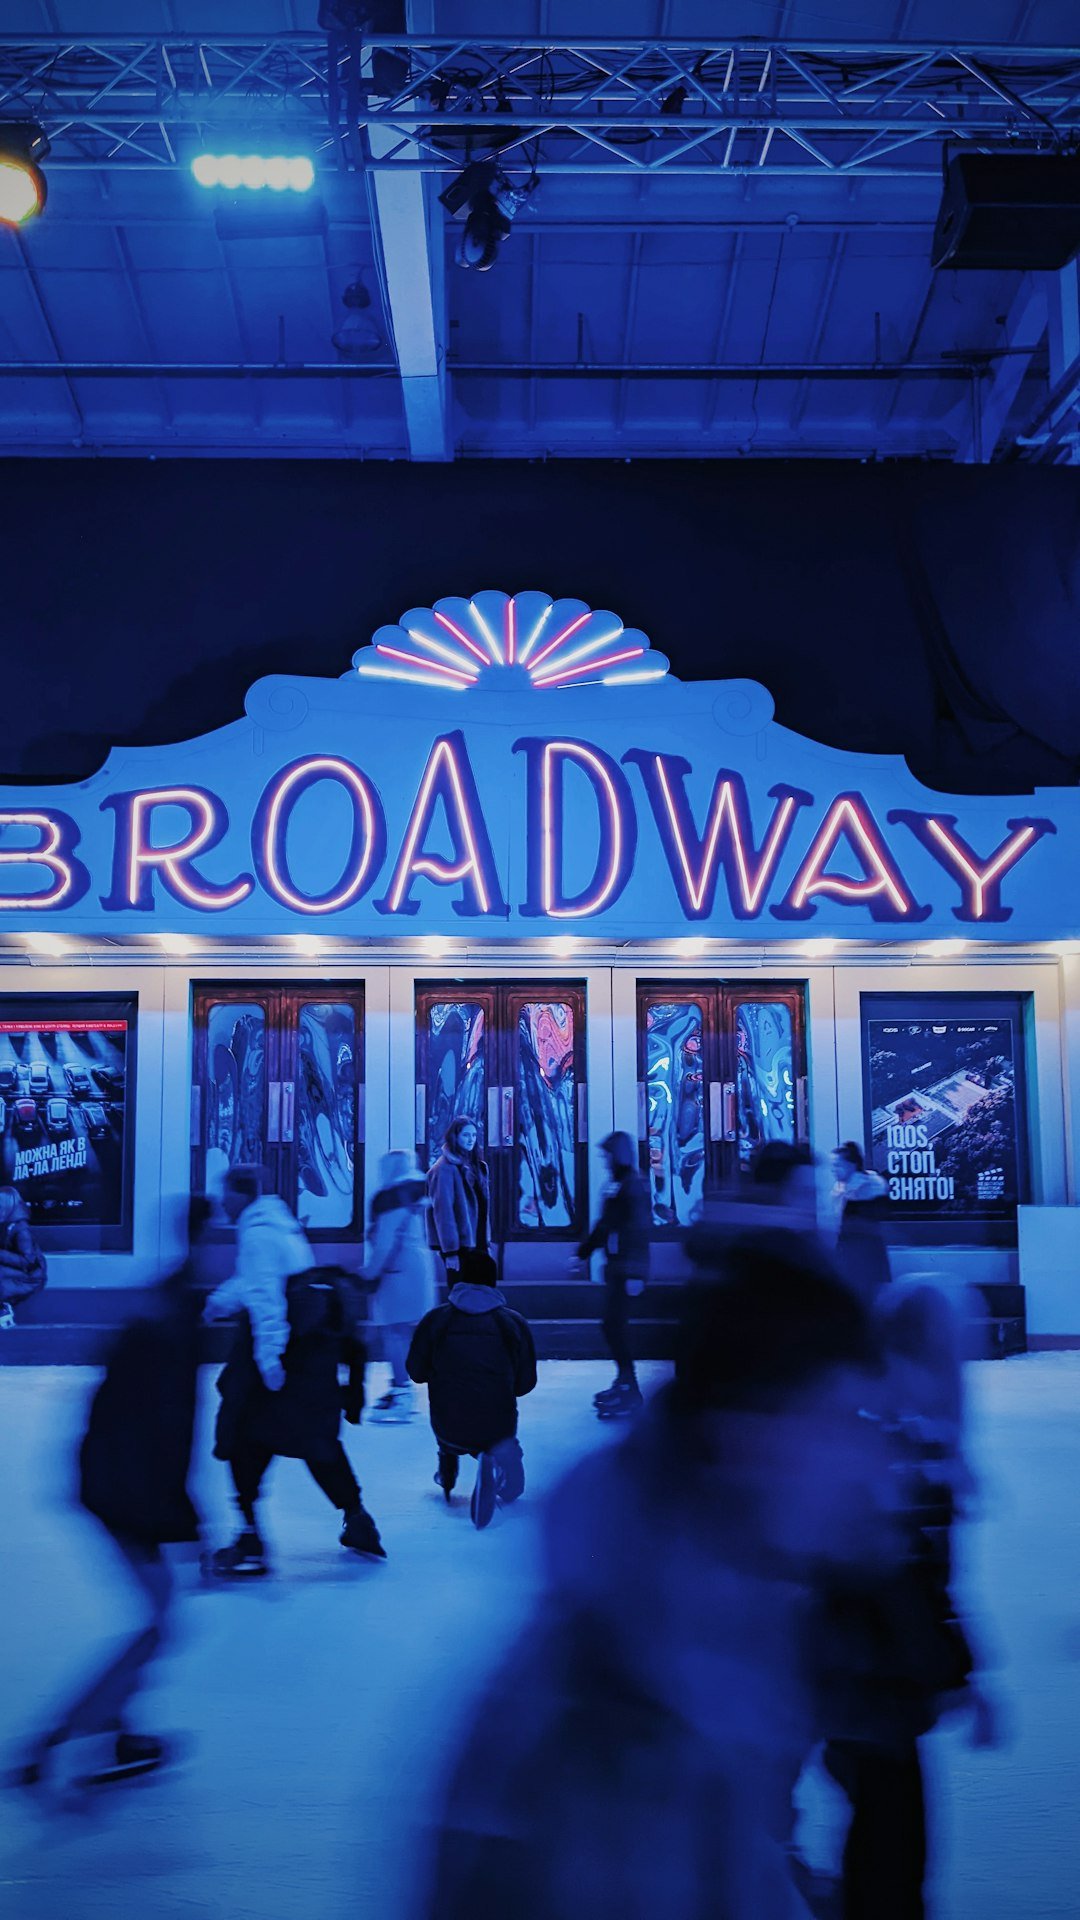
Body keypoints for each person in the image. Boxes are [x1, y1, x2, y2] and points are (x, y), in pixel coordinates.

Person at [422, 1227, 898, 1919]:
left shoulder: (705, 1624)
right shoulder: (614, 1753)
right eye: (838, 1418)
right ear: (751, 1439)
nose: (870, 1467)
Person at [15, 1201, 208, 1801]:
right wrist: (179, 1518)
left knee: (159, 1617)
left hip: (114, 1481)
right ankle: (67, 1734)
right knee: (158, 1622)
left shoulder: (168, 1306)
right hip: (123, 1488)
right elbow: (161, 1429)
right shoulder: (170, 1321)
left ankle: (109, 1729)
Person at [204, 1166, 383, 1573]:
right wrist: (218, 1302)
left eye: (226, 1193)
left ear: (241, 1194)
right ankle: (357, 1517)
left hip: (283, 1358)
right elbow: (256, 1283)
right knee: (315, 1442)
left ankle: (250, 1538)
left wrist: (269, 1364)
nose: (221, 1201)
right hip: (309, 1355)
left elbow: (267, 1299)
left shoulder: (257, 1233)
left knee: (246, 1438)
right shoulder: (277, 1224)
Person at [407, 1258, 537, 1530]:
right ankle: (505, 1467)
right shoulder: (512, 1322)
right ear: (493, 1282)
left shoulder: (436, 1320)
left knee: (449, 1431)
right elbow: (525, 1384)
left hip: (448, 1423)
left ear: (459, 1281)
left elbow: (416, 1372)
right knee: (503, 1446)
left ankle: (447, 1468)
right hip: (499, 1425)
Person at [575, 1130, 650, 1418]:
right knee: (612, 1326)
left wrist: (636, 1272)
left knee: (614, 1326)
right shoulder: (617, 1184)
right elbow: (605, 1224)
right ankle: (624, 1381)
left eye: (606, 1154)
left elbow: (638, 1230)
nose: (603, 1159)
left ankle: (629, 1386)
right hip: (617, 1266)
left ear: (616, 1154)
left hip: (627, 1268)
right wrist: (583, 1252)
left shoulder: (633, 1185)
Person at [365, 1148, 437, 1423]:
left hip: (396, 1272)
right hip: (415, 1269)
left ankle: (402, 1393)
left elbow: (384, 1244)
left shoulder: (390, 1199)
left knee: (393, 1334)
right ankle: (400, 1389)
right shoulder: (414, 1194)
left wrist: (370, 1273)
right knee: (401, 1333)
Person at [427, 1116, 493, 1285]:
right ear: (454, 1137)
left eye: (473, 1135)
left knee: (481, 1292)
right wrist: (450, 1252)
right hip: (459, 1246)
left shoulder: (478, 1166)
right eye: (466, 1135)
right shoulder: (443, 1169)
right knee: (461, 1292)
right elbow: (443, 1212)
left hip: (477, 1241)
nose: (471, 1139)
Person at [831, 1140, 891, 1300]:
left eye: (837, 1165)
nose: (833, 1170)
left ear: (851, 1165)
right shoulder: (840, 1187)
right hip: (852, 1254)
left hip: (863, 1257)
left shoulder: (869, 1188)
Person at [0, 1184, 46, 1329]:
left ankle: (3, 1309)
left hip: (30, 1276)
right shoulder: (8, 1226)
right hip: (20, 1270)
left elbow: (28, 1262)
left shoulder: (21, 1231)